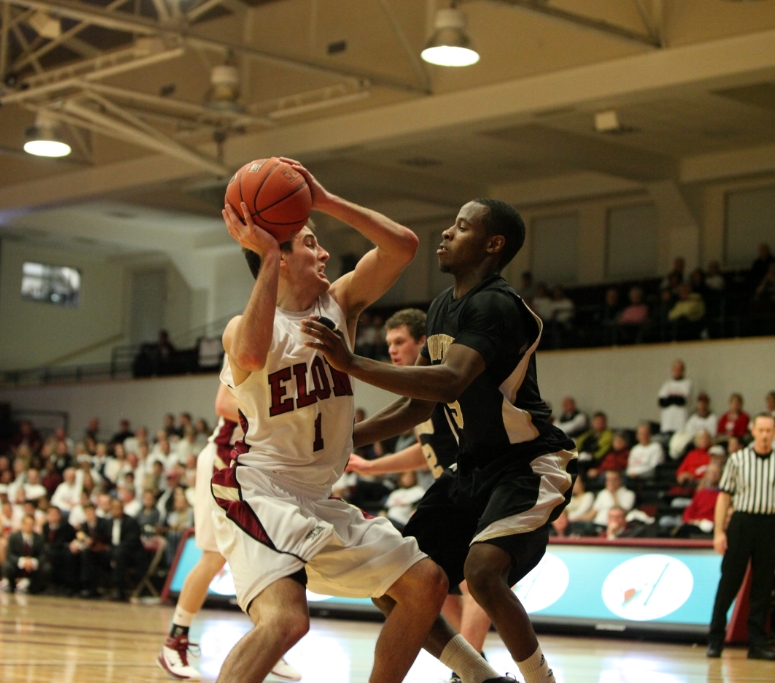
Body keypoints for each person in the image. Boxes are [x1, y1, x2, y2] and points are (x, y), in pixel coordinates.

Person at [305, 197, 575, 683]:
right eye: (450, 224)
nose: (446, 234)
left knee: (483, 571)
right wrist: (346, 441)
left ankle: (540, 678)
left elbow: (450, 381)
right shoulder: (440, 309)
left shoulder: (496, 304)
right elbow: (419, 406)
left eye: (462, 227)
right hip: (469, 469)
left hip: (525, 463)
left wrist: (352, 364)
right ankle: (479, 677)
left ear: (493, 245)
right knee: (391, 581)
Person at [213, 158, 454, 683]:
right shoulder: (246, 326)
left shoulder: (338, 303)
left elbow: (403, 247)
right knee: (285, 623)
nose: (324, 252)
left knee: (426, 583)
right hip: (261, 492)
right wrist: (267, 256)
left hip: (319, 497)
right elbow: (251, 357)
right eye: (308, 243)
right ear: (277, 253)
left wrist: (322, 199)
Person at [345, 308, 494, 661]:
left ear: (423, 343)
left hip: (479, 485)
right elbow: (425, 449)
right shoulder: (418, 395)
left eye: (400, 342)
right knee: (441, 584)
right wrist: (372, 467)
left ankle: (468, 667)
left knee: (476, 584)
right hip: (450, 491)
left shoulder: (443, 383)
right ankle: (474, 662)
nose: (392, 351)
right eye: (388, 343)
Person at [158, 382, 301, 681]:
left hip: (256, 465)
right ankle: (174, 642)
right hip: (223, 459)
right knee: (213, 557)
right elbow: (223, 404)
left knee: (268, 556)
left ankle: (270, 643)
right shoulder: (245, 341)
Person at [707, 413, 775, 661]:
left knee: (763, 586)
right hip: (742, 523)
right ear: (753, 431)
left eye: (770, 430)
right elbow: (724, 497)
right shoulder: (737, 460)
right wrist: (718, 532)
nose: (765, 434)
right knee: (729, 582)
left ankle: (757, 643)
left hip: (770, 524)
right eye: (761, 430)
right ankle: (715, 639)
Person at [2, 514, 48, 594]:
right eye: (26, 524)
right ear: (22, 524)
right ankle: (12, 587)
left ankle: (34, 588)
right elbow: (9, 554)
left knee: (46, 568)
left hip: (33, 565)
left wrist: (33, 562)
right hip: (18, 565)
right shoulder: (14, 537)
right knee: (6, 566)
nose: (29, 526)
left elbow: (43, 555)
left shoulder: (39, 538)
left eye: (31, 525)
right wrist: (23, 562)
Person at [657, 359, 691, 435]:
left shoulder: (687, 384)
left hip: (680, 424)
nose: (677, 371)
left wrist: (669, 399)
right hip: (667, 424)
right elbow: (661, 402)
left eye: (679, 369)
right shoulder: (667, 384)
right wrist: (674, 398)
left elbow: (682, 401)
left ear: (683, 370)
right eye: (675, 369)